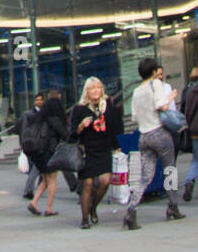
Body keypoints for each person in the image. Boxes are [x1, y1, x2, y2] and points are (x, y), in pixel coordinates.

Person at [124, 55, 185, 229]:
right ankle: (173, 207)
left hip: (144, 136)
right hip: (160, 134)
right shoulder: (155, 84)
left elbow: (134, 116)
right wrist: (171, 97)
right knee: (170, 170)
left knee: (145, 176)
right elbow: (162, 106)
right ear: (153, 72)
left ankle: (132, 209)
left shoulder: (136, 91)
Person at [70, 76, 122, 229]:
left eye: (98, 88)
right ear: (87, 91)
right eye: (93, 88)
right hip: (87, 150)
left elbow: (114, 129)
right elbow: (71, 135)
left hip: (104, 149)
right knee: (88, 183)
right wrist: (81, 126)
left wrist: (116, 146)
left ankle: (93, 207)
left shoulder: (107, 106)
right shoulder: (79, 109)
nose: (96, 91)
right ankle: (85, 219)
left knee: (106, 181)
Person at [25, 90, 68, 218]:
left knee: (45, 179)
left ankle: (34, 202)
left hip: (37, 152)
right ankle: (49, 208)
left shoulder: (39, 117)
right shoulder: (54, 119)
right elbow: (65, 135)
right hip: (49, 151)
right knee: (52, 179)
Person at [15, 93, 45, 198]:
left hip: (43, 143)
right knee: (36, 168)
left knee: (41, 169)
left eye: (41, 100)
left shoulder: (45, 113)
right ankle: (29, 190)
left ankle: (34, 189)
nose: (39, 102)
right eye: (37, 100)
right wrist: (24, 143)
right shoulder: (29, 114)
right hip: (33, 145)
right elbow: (23, 130)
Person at [182, 68, 198, 202]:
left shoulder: (191, 90)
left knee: (196, 159)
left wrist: (189, 125)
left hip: (195, 130)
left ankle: (189, 181)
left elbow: (188, 111)